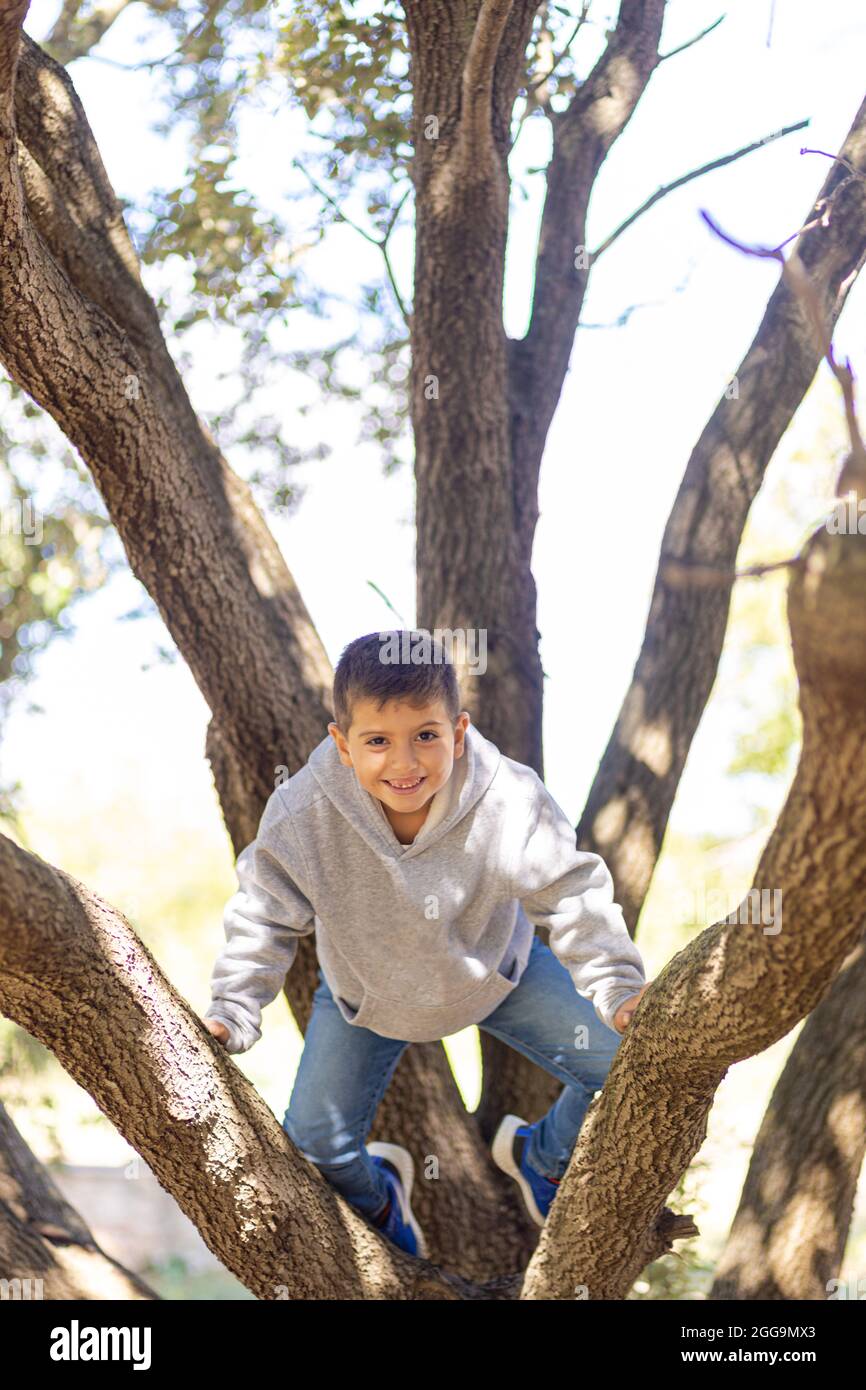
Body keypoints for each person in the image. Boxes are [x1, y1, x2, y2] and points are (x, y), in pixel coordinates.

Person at [203, 629, 649, 1259]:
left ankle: (541, 1158)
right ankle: (384, 1194)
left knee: (632, 1066)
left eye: (426, 736)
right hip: (369, 994)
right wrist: (233, 1009)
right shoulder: (305, 811)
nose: (405, 763)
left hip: (499, 973)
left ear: (458, 732)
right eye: (378, 742)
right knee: (313, 1147)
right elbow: (262, 913)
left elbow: (572, 892)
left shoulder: (509, 797)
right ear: (343, 744)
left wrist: (620, 988)